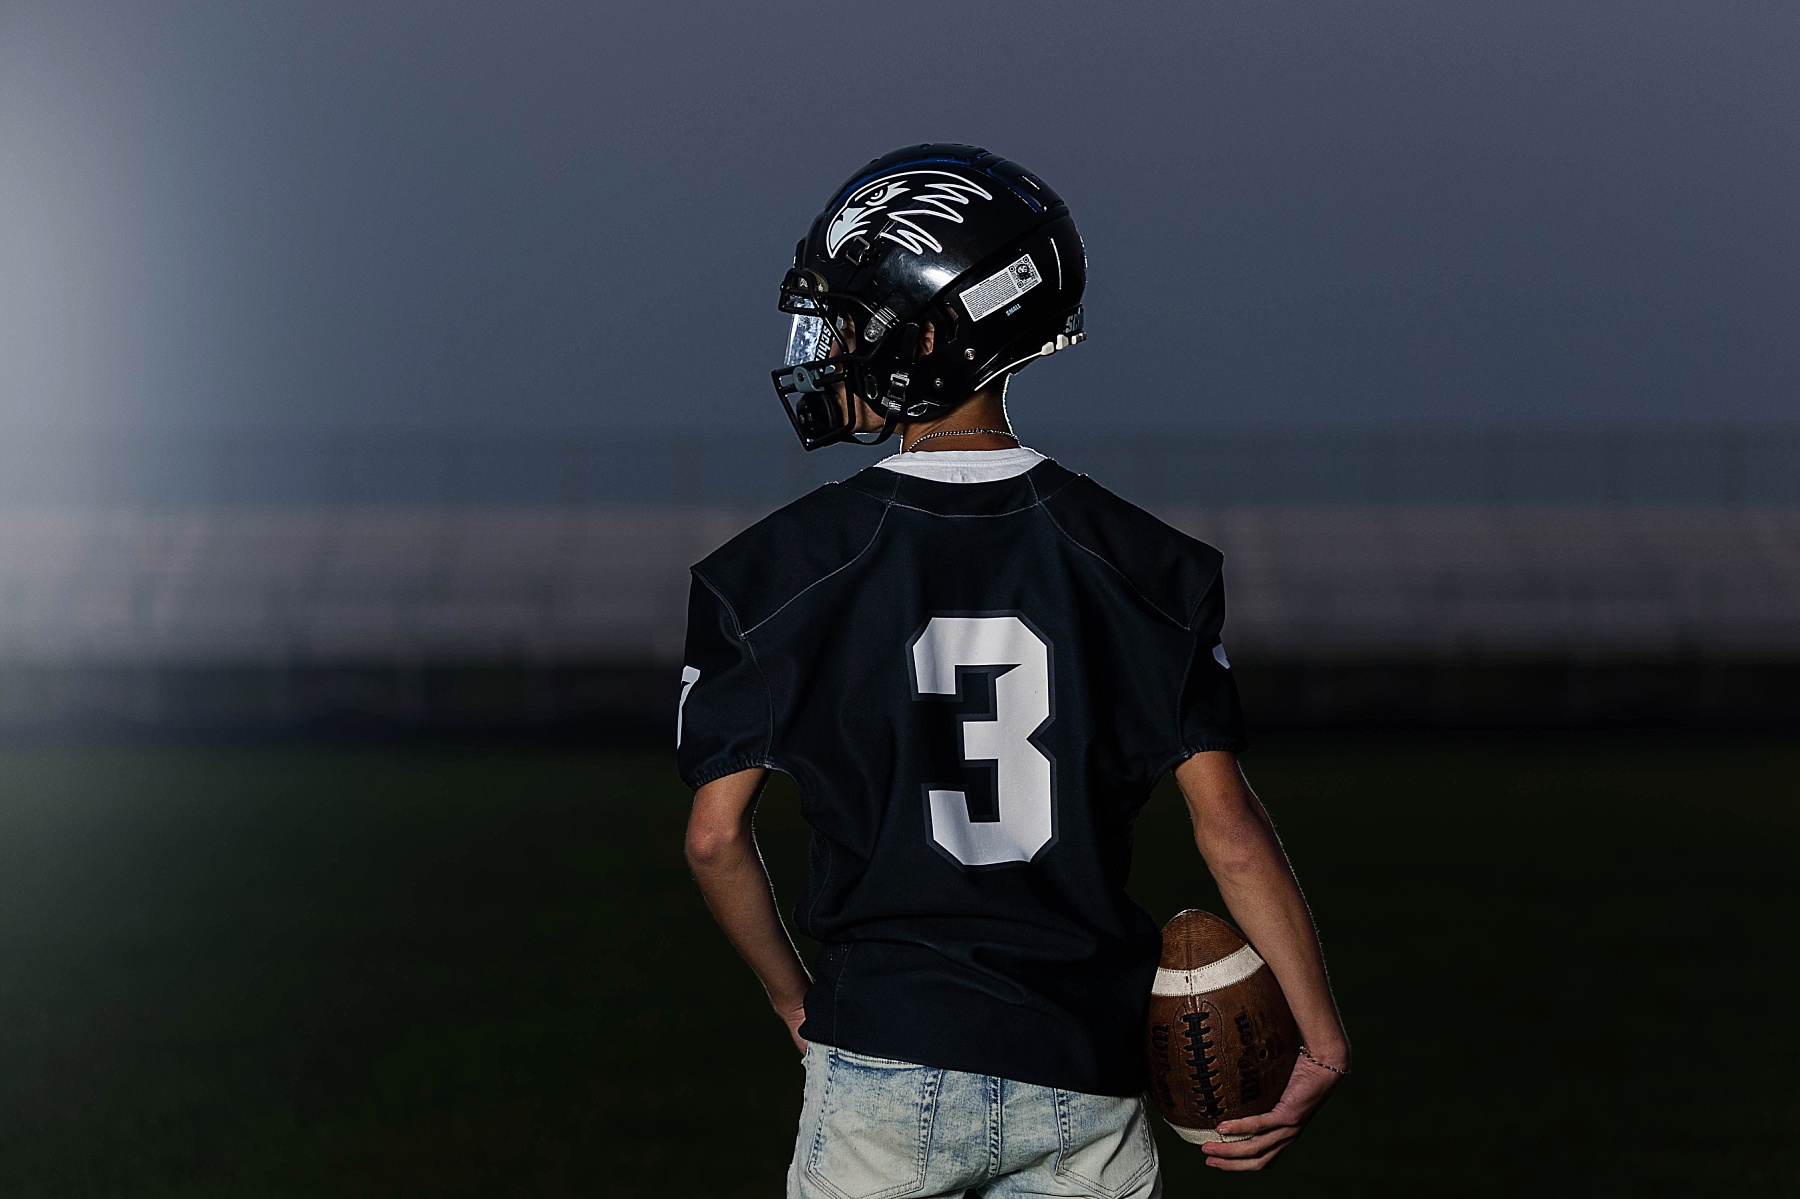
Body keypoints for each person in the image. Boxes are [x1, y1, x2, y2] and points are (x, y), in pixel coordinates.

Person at [679, 144, 1348, 1197]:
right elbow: (1229, 830)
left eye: (854, 319)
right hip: (1082, 1067)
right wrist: (1319, 1036)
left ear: (933, 333)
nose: (830, 348)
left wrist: (791, 997)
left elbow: (717, 839)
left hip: (882, 1058)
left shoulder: (769, 573)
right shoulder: (1145, 564)